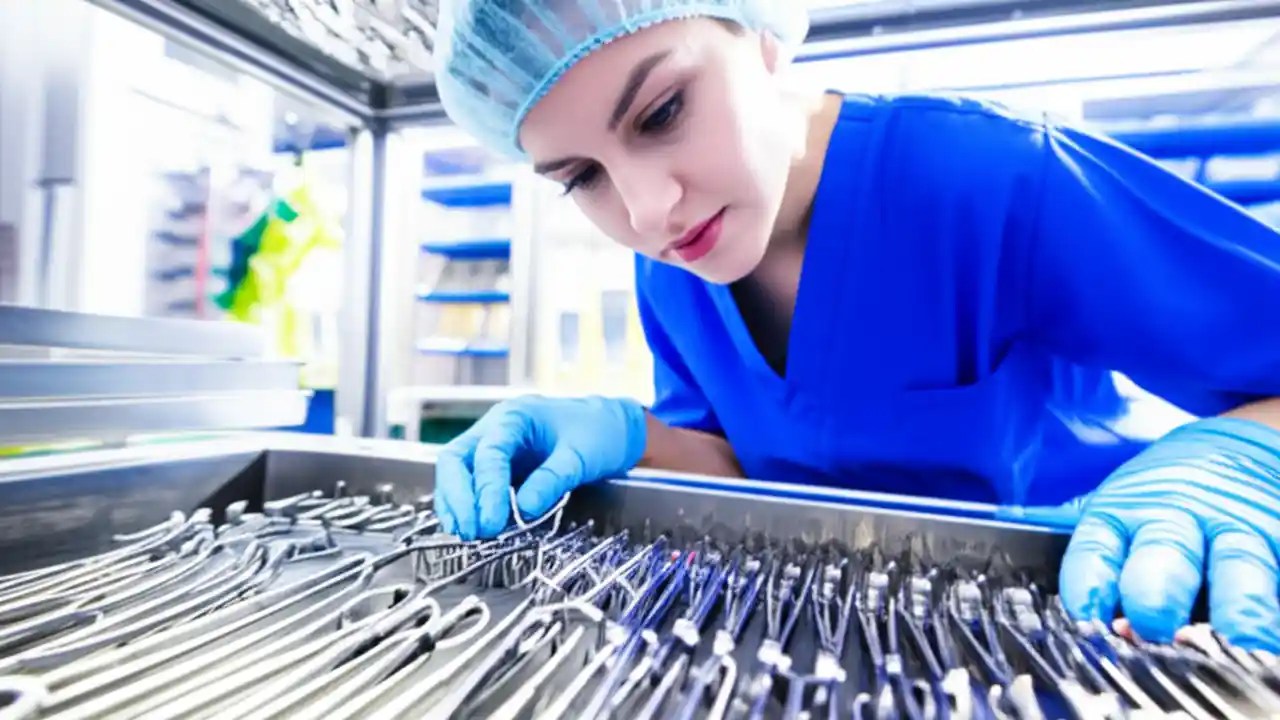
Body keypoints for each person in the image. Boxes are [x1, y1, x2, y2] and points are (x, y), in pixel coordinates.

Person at [432, 0, 1280, 651]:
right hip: (827, 653)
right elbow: (749, 467)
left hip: (1072, 639)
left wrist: (1230, 462)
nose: (647, 210)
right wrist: (632, 439)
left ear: (758, 34)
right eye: (582, 176)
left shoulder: (989, 179)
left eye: (661, 114)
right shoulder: (675, 261)